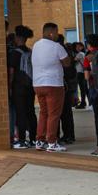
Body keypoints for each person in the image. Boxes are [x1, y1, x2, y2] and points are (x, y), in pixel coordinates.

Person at [32, 22, 70, 153]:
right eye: (57, 31)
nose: (58, 35)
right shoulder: (56, 46)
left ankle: (39, 141)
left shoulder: (36, 45)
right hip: (53, 84)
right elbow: (67, 62)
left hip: (38, 84)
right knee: (54, 114)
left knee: (43, 112)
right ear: (51, 33)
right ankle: (52, 143)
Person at [8, 25, 36, 148]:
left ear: (18, 38)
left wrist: (9, 86)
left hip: (18, 87)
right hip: (30, 85)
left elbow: (11, 72)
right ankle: (34, 138)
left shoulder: (14, 53)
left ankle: (22, 140)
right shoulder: (30, 52)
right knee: (31, 112)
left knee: (20, 113)